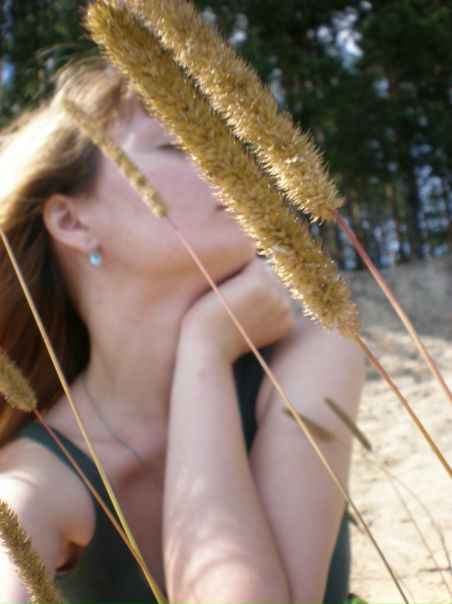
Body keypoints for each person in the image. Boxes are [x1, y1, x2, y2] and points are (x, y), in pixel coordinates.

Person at [0, 60, 364, 604]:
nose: (231, 164)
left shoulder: (307, 359)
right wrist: (205, 349)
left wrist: (205, 352)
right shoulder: (35, 476)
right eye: (177, 145)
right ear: (73, 222)